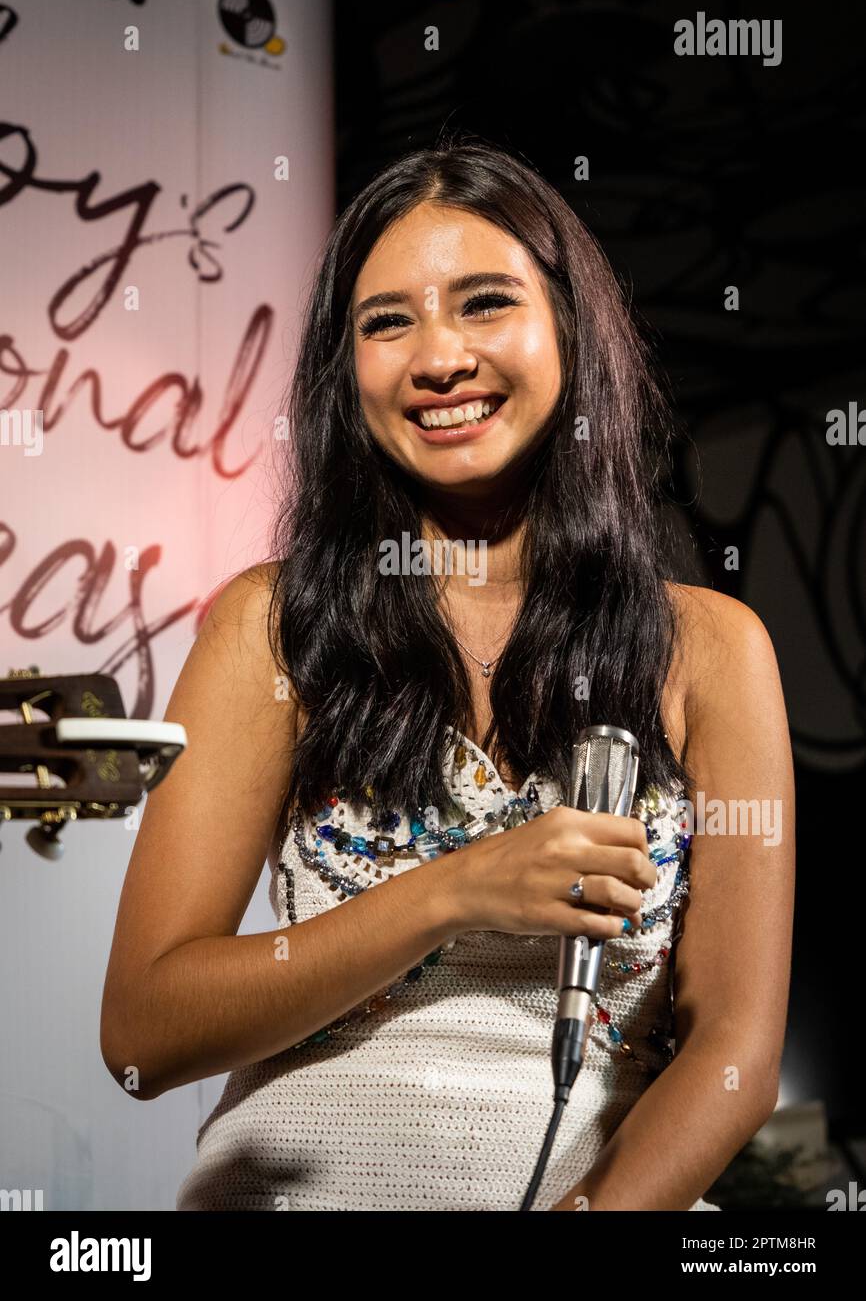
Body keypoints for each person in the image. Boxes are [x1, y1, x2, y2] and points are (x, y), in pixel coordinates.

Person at [100, 137, 795, 1211]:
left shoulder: (708, 650)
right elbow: (142, 1036)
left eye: (482, 303)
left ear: (568, 328)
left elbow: (733, 1051)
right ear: (345, 372)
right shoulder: (272, 627)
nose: (437, 358)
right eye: (387, 322)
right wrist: (453, 892)